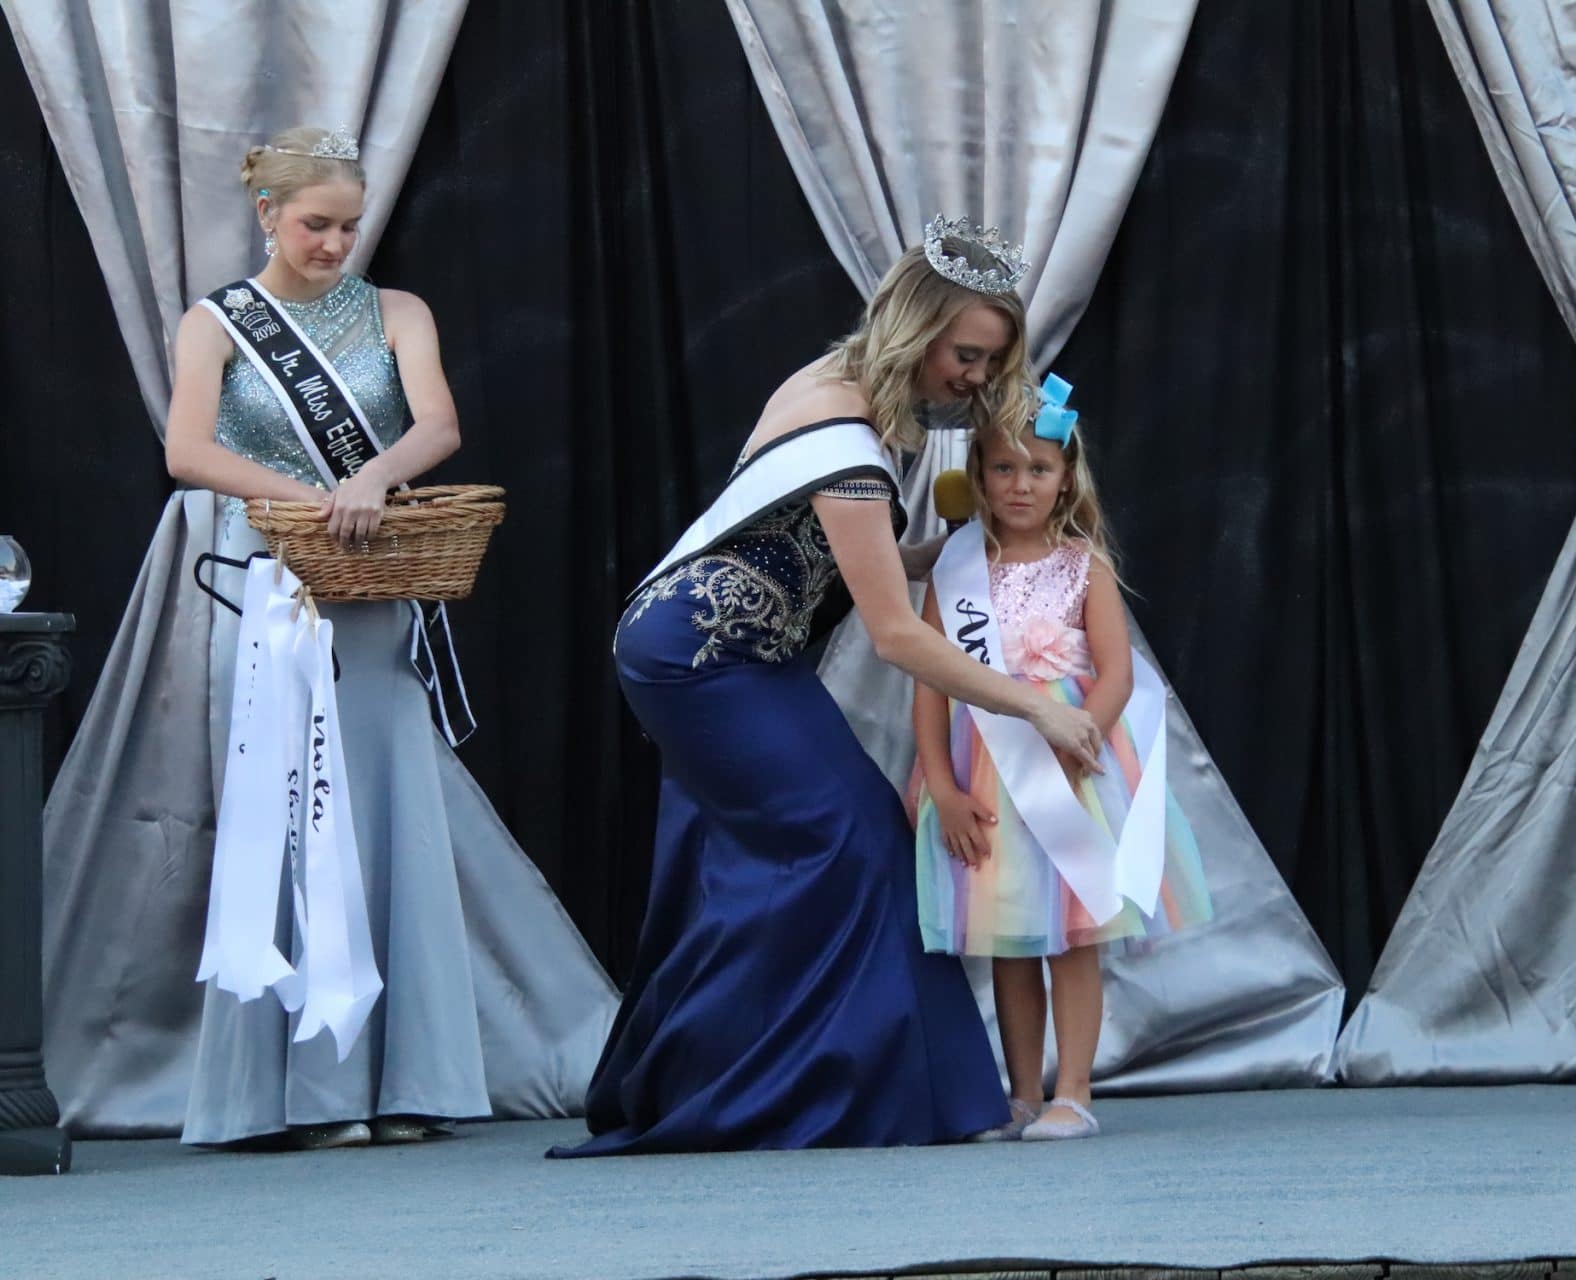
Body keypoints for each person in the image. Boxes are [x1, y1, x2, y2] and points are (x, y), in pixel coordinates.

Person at [551, 217, 1106, 1156]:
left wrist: (940, 556)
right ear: (916, 329)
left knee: (754, 861)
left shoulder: (832, 383)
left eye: (990, 361)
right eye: (966, 355)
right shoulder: (849, 448)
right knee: (855, 840)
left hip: (727, 652)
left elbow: (829, 554)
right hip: (705, 659)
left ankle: (732, 1080)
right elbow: (894, 634)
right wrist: (1034, 704)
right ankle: (812, 1092)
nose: (976, 379)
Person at [159, 125, 614, 1150]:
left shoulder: (399, 311)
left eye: (349, 226)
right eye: (315, 224)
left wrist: (370, 479)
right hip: (277, 600)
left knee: (391, 822)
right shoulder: (216, 323)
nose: (334, 244)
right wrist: (317, 501)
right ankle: (295, 1098)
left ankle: (413, 1081)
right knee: (288, 822)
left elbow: (437, 426)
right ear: (267, 214)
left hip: (376, 596)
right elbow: (188, 450)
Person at [910, 378, 1215, 1141]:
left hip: (1073, 771)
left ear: (1066, 478)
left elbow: (1116, 674)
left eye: (1038, 470)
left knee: (1074, 935)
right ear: (978, 478)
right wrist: (941, 785)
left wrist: (1082, 740)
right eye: (1004, 469)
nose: (1021, 485)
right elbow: (929, 690)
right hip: (987, 774)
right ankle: (1022, 1094)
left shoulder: (1085, 565)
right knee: (1011, 939)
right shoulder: (955, 575)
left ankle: (1073, 1093)